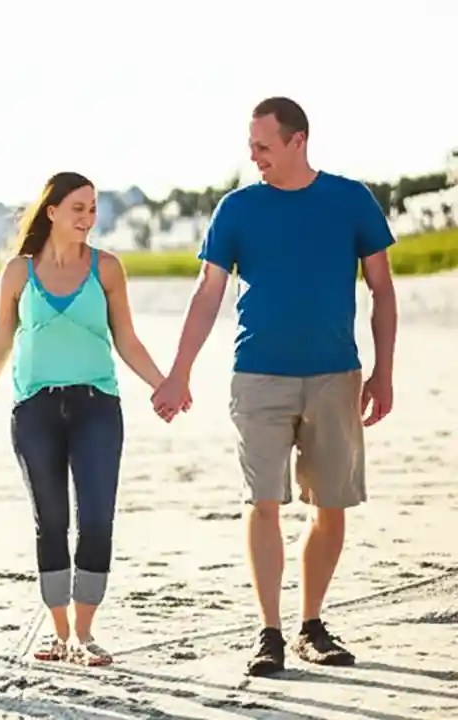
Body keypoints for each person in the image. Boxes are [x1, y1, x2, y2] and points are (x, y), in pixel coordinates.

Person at [151, 97, 397, 677]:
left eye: (264, 145)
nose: (254, 155)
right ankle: (271, 633)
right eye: (251, 145)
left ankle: (312, 624)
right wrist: (179, 371)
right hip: (258, 376)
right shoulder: (236, 210)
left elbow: (382, 289)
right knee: (263, 502)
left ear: (297, 141)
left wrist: (384, 371)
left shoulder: (350, 199)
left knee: (330, 506)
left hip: (336, 375)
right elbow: (207, 293)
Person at [0, 171, 171, 667]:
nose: (88, 218)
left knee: (96, 520)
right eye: (78, 208)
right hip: (35, 410)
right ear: (51, 212)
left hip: (98, 406)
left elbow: (128, 340)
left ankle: (86, 632)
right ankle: (57, 631)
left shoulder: (107, 268)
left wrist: (162, 384)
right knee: (50, 522)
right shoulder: (18, 272)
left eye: (93, 208)